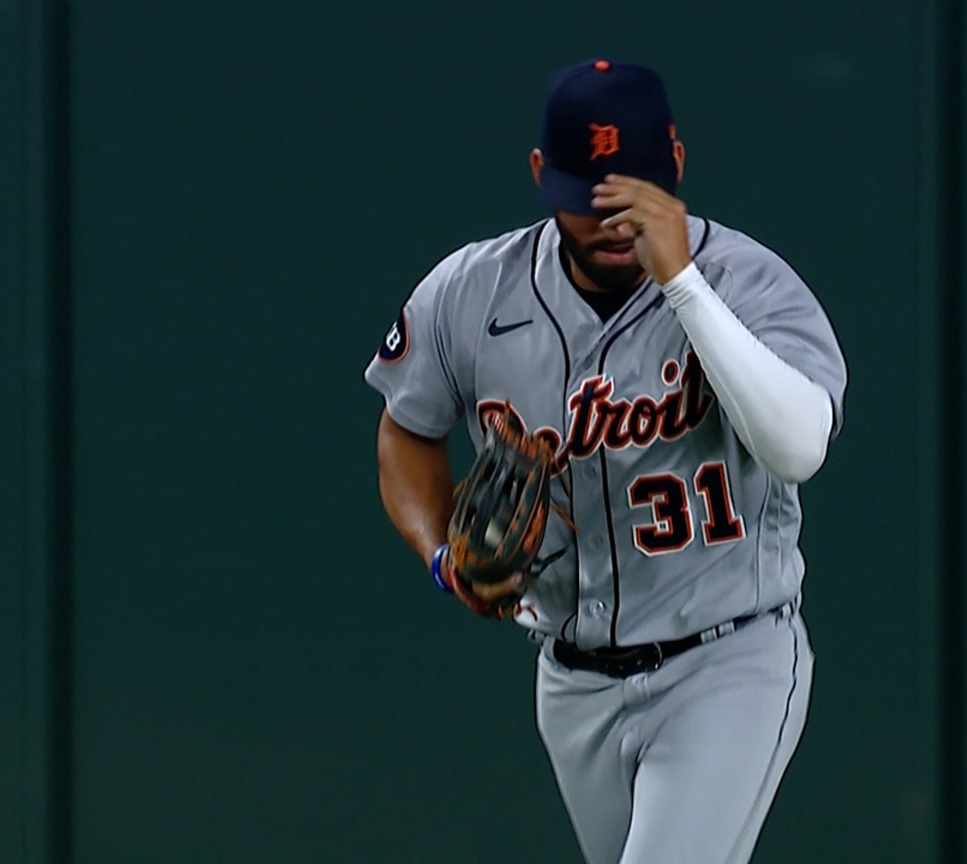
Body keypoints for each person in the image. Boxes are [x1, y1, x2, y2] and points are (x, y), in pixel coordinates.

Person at [362, 57, 848, 864]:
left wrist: (684, 284)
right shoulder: (471, 293)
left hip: (728, 660)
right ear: (540, 176)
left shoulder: (748, 283)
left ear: (677, 167)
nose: (613, 221)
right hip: (571, 678)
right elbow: (406, 427)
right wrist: (444, 557)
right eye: (590, 199)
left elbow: (797, 447)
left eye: (634, 193)